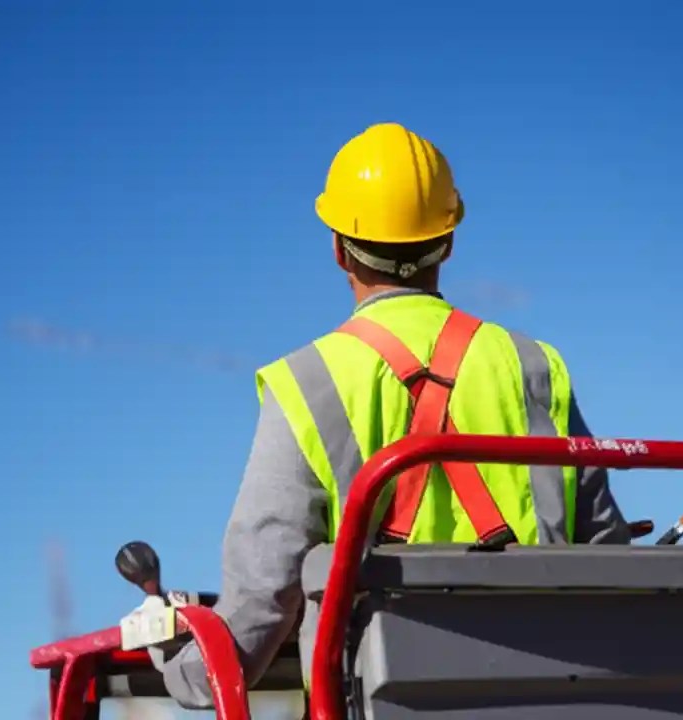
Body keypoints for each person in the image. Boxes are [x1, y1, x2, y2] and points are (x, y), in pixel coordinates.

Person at [155, 122, 632, 709]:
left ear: (337, 248)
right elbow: (608, 558)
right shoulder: (533, 366)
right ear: (449, 240)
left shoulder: (308, 382)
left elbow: (261, 606)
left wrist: (175, 656)